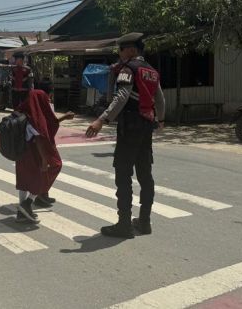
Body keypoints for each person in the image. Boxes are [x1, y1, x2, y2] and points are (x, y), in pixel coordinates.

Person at [86, 33, 165, 238]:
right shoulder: (152, 71)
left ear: (131, 50)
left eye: (121, 50)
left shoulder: (129, 69)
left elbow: (121, 97)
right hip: (146, 126)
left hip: (130, 126)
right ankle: (145, 222)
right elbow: (161, 100)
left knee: (123, 174)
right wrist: (161, 120)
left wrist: (101, 120)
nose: (120, 55)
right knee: (145, 175)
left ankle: (124, 225)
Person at [15, 90, 74, 222]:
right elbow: (39, 139)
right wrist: (44, 159)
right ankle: (27, 203)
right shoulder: (35, 118)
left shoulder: (21, 112)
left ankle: (22, 212)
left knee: (24, 181)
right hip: (32, 153)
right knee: (40, 177)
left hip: (20, 152)